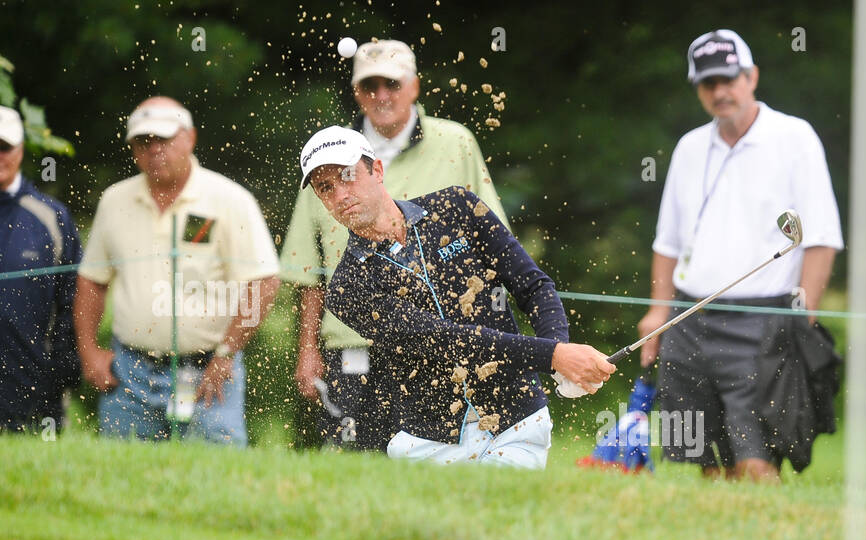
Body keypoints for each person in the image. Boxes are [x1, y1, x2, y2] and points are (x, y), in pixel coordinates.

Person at [300, 127, 612, 469]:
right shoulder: (347, 287)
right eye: (326, 188)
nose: (341, 194)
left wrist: (559, 349)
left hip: (515, 419)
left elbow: (532, 286)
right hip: (429, 442)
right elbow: (446, 339)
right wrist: (553, 355)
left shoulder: (457, 207)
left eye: (348, 176)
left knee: (502, 511)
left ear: (376, 170)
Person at [281, 39, 510, 451]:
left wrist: (487, 323)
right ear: (356, 93)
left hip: (444, 338)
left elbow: (492, 240)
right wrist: (307, 348)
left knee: (448, 464)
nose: (381, 95)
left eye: (391, 83)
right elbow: (308, 269)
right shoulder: (324, 160)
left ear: (414, 86)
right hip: (353, 342)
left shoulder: (456, 142)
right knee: (354, 466)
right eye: (370, 86)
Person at [636, 29, 843, 481]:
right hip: (690, 317)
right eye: (709, 83)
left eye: (729, 79)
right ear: (698, 88)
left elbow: (821, 237)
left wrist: (802, 314)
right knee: (706, 458)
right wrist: (657, 312)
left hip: (765, 320)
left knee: (757, 459)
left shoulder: (795, 137)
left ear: (752, 77)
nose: (720, 91)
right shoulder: (689, 147)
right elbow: (666, 243)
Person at [75, 98, 279, 445]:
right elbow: (92, 280)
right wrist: (89, 351)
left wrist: (227, 353)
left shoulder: (230, 199)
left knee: (220, 479)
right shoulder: (114, 200)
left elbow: (264, 282)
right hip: (130, 372)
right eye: (143, 141)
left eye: (164, 139)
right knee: (123, 481)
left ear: (190, 138)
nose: (154, 149)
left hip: (211, 371)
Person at [0, 105, 83, 434]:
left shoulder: (52, 218)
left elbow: (74, 299)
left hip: (33, 390)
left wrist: (62, 373)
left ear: (20, 150)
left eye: (4, 147)